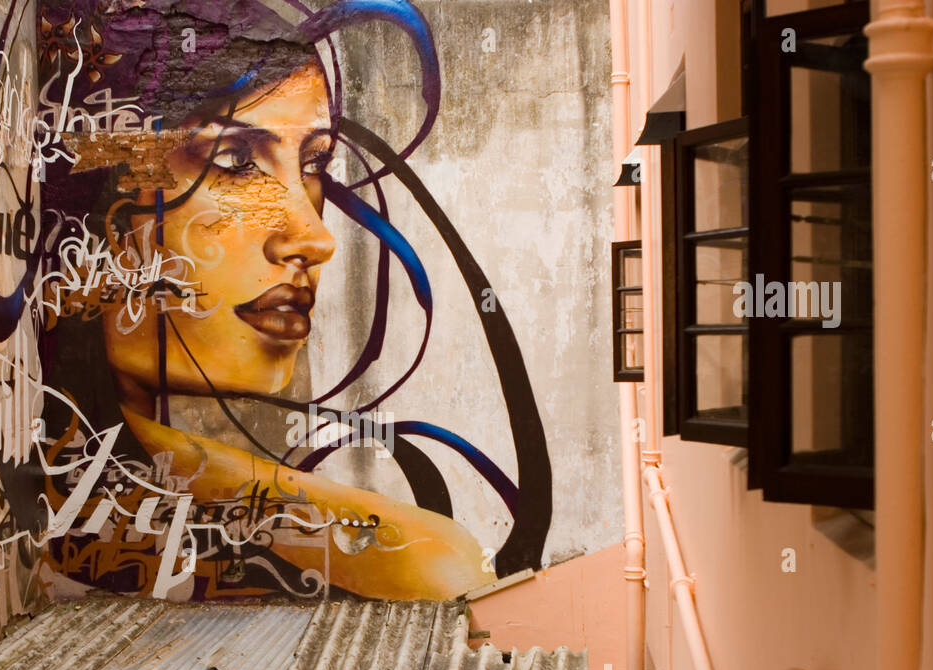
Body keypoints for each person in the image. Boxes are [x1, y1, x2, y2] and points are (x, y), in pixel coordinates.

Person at [30, 0, 551, 601]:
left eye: (315, 163)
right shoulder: (417, 558)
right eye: (235, 161)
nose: (315, 237)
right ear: (100, 217)